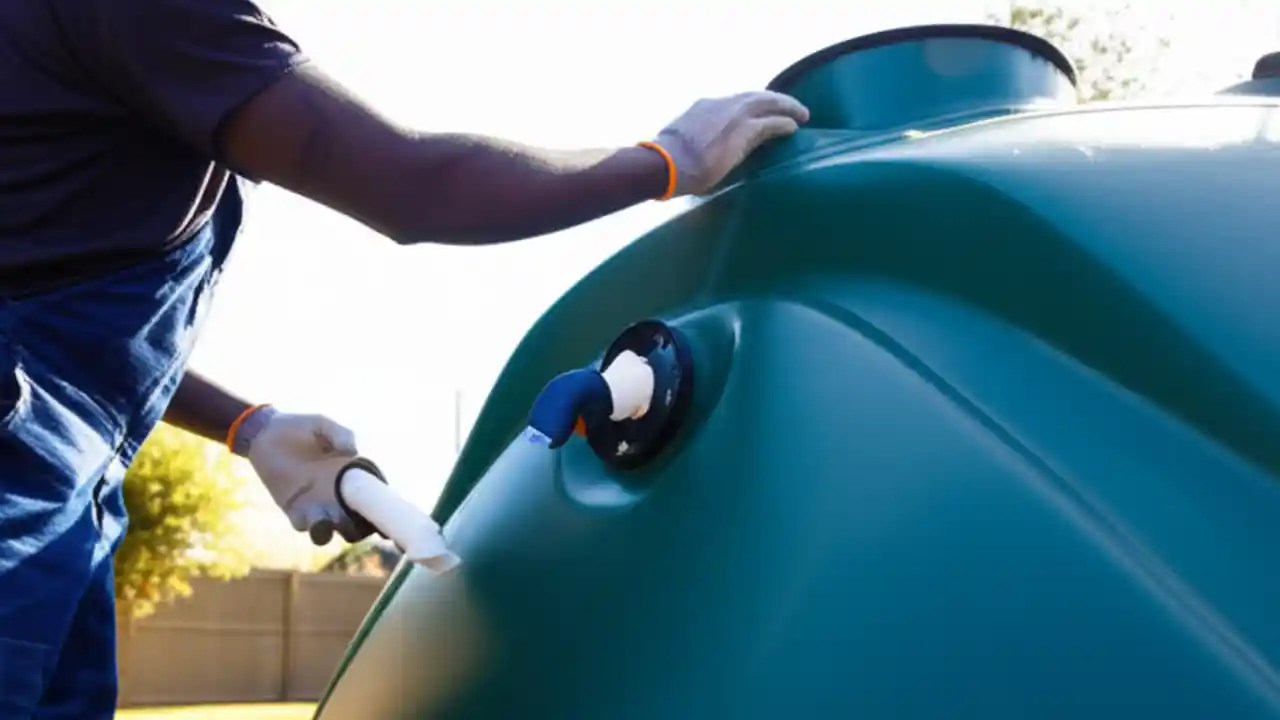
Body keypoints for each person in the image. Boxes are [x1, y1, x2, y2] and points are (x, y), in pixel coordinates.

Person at [0, 0, 809, 715]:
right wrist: (664, 161)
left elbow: (54, 324)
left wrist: (248, 427)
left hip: (64, 489)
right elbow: (415, 187)